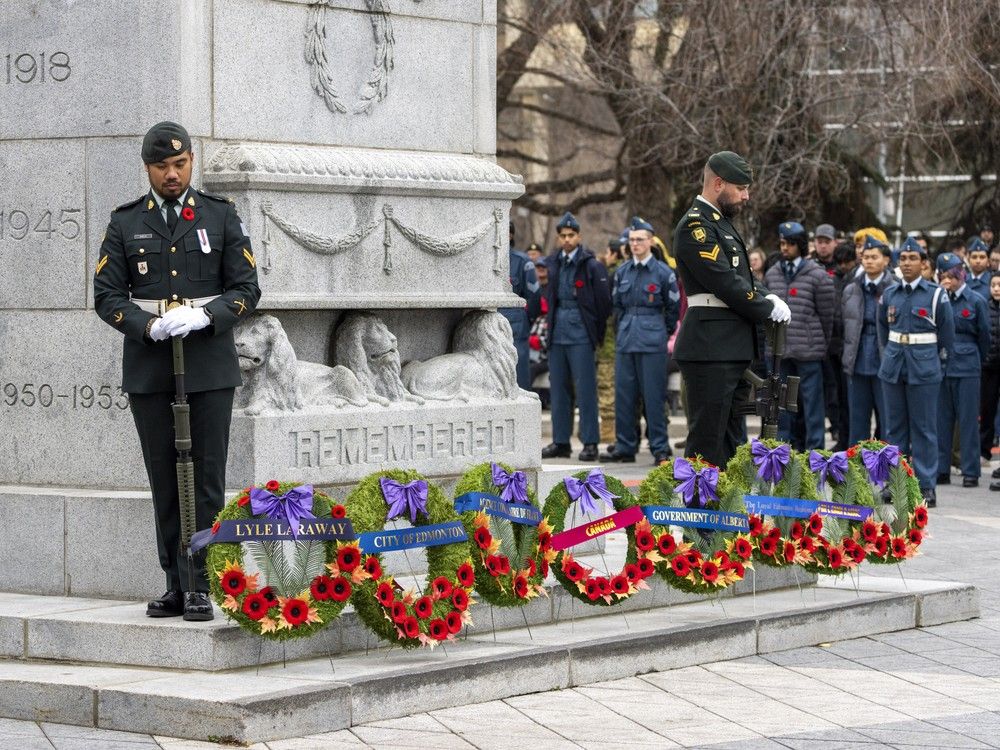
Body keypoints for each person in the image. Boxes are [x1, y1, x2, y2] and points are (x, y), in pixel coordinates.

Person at [93, 122, 261, 620]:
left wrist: (206, 315)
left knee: (206, 476)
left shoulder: (219, 215)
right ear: (147, 168)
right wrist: (147, 326)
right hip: (151, 367)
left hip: (208, 365)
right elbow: (106, 296)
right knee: (165, 477)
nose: (173, 173)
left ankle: (201, 584)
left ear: (192, 160)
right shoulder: (125, 223)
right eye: (163, 166)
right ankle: (174, 580)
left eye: (181, 163)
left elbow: (246, 288)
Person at [673, 151, 789, 467]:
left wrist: (770, 296)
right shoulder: (696, 226)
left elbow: (741, 276)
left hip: (729, 346)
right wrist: (765, 308)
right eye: (741, 188)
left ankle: (726, 510)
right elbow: (724, 281)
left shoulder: (719, 224)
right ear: (719, 184)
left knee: (731, 443)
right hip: (710, 346)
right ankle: (699, 512)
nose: (746, 196)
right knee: (707, 443)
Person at [877, 237, 954, 507]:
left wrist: (938, 367)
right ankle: (893, 483)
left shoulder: (935, 295)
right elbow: (882, 333)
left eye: (913, 259)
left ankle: (925, 484)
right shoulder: (889, 294)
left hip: (925, 370)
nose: (907, 263)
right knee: (894, 428)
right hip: (894, 368)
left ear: (924, 264)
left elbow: (947, 337)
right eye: (903, 259)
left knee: (924, 429)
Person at [601, 217, 679, 465]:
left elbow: (673, 309)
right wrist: (625, 328)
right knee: (624, 396)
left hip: (652, 340)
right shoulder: (622, 271)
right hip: (626, 339)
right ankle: (626, 446)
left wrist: (660, 332)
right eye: (632, 240)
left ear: (650, 241)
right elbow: (617, 307)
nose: (635, 244)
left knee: (654, 397)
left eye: (640, 240)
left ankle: (660, 448)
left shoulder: (663, 273)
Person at [540, 212, 612, 461]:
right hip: (558, 330)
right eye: (563, 236)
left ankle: (590, 442)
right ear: (559, 238)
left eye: (571, 235)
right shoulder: (552, 263)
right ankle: (561, 441)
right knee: (558, 390)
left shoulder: (591, 265)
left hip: (581, 331)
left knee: (585, 390)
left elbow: (604, 303)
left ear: (579, 236)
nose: (567, 239)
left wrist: (595, 331)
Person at [763, 221, 835, 450]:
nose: (785, 248)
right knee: (781, 403)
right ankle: (785, 448)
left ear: (801, 246)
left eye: (791, 244)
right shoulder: (773, 273)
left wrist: (819, 345)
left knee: (812, 404)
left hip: (808, 351)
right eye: (783, 243)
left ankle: (815, 451)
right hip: (779, 350)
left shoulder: (816, 274)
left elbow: (827, 315)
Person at [935, 252, 989, 488]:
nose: (948, 280)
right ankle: (941, 469)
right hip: (942, 365)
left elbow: (984, 335)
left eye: (952, 276)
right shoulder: (937, 298)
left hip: (967, 365)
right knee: (942, 421)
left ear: (960, 275)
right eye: (944, 276)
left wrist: (977, 359)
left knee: (967, 422)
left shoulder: (975, 299)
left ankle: (970, 471)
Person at [842, 237, 893, 444]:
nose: (869, 261)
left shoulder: (893, 288)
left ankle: (891, 470)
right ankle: (856, 471)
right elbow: (842, 325)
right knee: (858, 423)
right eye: (865, 257)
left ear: (886, 260)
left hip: (885, 362)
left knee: (889, 422)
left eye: (874, 257)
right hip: (858, 359)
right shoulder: (851, 289)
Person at [501, 222, 542, 390]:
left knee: (519, 378)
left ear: (510, 235)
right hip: (488, 326)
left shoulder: (522, 262)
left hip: (515, 326)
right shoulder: (484, 261)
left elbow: (534, 297)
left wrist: (526, 319)